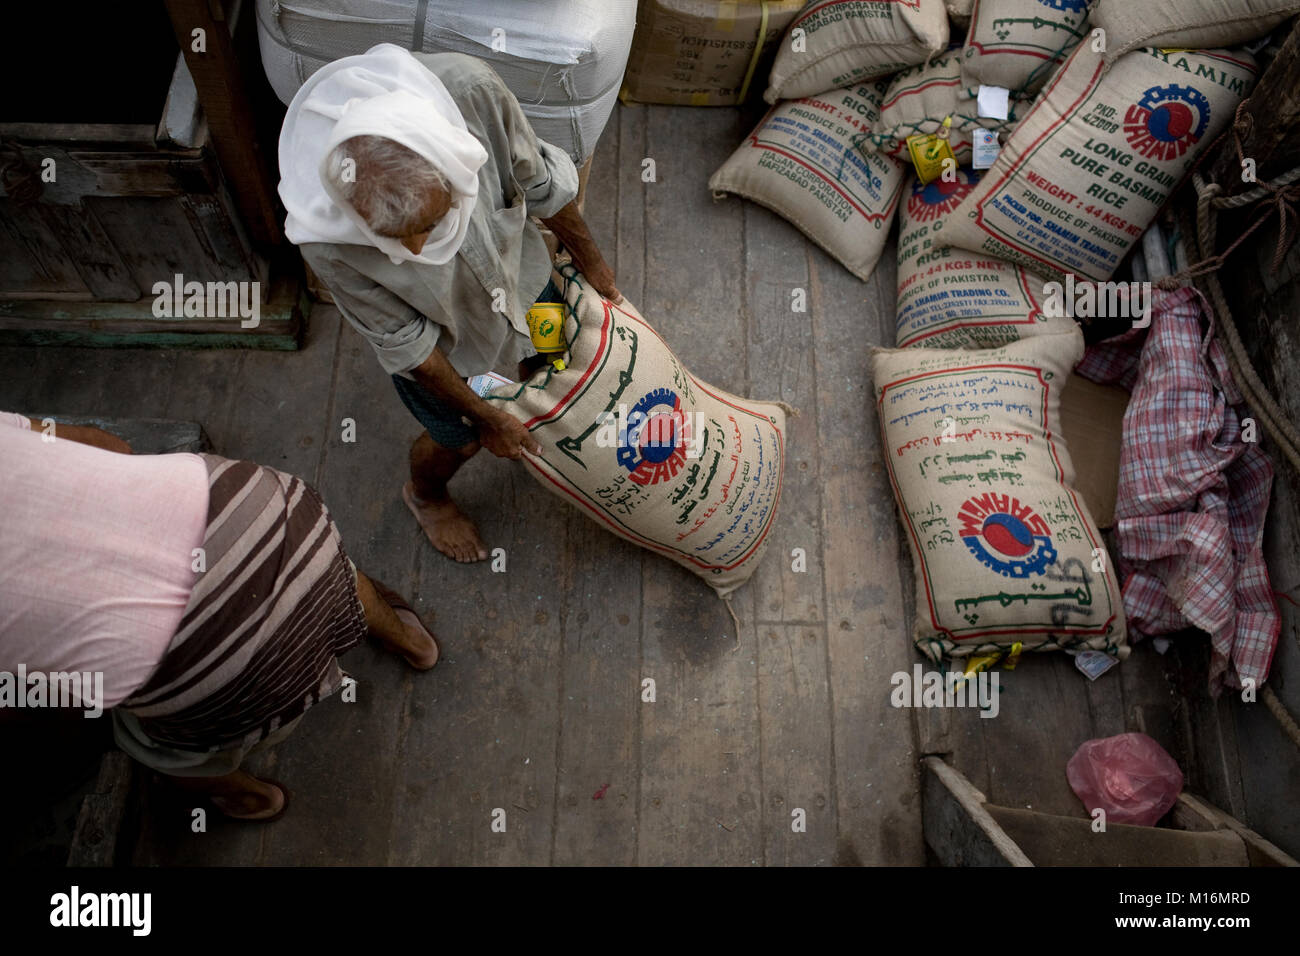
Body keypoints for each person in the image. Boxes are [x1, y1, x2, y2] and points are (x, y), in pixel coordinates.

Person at [0, 412, 437, 821]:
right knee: (324, 564)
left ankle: (250, 796)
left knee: (143, 740)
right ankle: (410, 641)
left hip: (210, 677)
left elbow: (36, 705)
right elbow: (109, 446)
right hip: (273, 512)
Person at [278, 43, 620, 565]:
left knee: (548, 355)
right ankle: (427, 496)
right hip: (445, 349)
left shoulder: (472, 94)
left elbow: (542, 185)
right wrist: (486, 420)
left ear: (454, 169)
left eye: (427, 227)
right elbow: (410, 348)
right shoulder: (322, 235)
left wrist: (593, 263)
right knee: (457, 441)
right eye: (392, 240)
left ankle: (531, 409)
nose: (415, 252)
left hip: (526, 283)